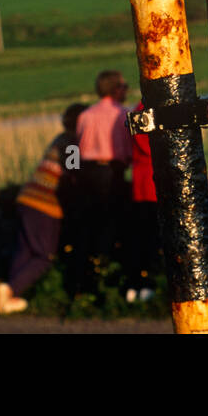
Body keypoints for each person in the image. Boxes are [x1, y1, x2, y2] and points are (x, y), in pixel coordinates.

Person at [0, 102, 87, 316]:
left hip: (27, 197)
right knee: (44, 256)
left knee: (25, 249)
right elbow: (72, 176)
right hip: (45, 204)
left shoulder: (59, 139)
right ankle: (10, 289)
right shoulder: (72, 144)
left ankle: (8, 297)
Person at [69, 70, 134, 297]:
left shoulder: (85, 115)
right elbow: (128, 150)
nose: (127, 90)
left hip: (87, 172)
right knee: (112, 223)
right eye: (124, 86)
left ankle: (81, 279)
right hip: (111, 171)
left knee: (87, 225)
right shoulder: (123, 114)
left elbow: (74, 149)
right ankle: (105, 271)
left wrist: (75, 174)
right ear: (116, 89)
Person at [125, 120, 162, 303]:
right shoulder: (145, 111)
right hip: (150, 184)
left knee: (139, 237)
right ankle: (146, 283)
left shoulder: (137, 111)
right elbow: (150, 148)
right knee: (150, 238)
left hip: (140, 182)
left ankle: (134, 284)